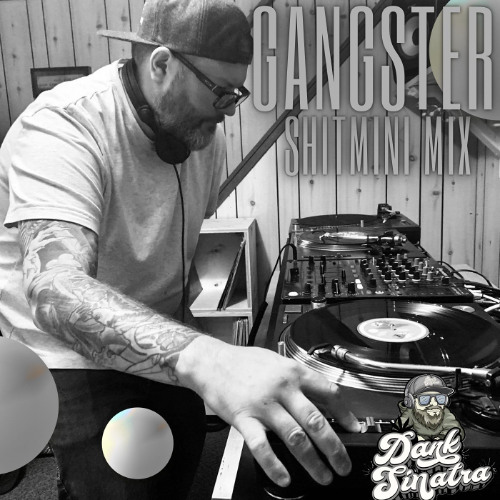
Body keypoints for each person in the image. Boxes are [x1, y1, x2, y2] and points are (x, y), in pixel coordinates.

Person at [0, 0, 360, 498]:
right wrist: (211, 358)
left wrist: (195, 343)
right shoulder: (61, 127)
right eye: (220, 91)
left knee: (181, 457)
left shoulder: (202, 136)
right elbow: (55, 292)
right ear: (162, 64)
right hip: (74, 357)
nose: (229, 108)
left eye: (237, 93)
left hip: (165, 333)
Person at [399, 374, 465, 441]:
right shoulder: (409, 414)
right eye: (425, 399)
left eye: (440, 398)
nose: (434, 403)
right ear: (411, 401)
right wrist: (415, 438)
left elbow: (456, 430)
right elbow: (400, 430)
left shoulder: (445, 413)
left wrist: (441, 438)